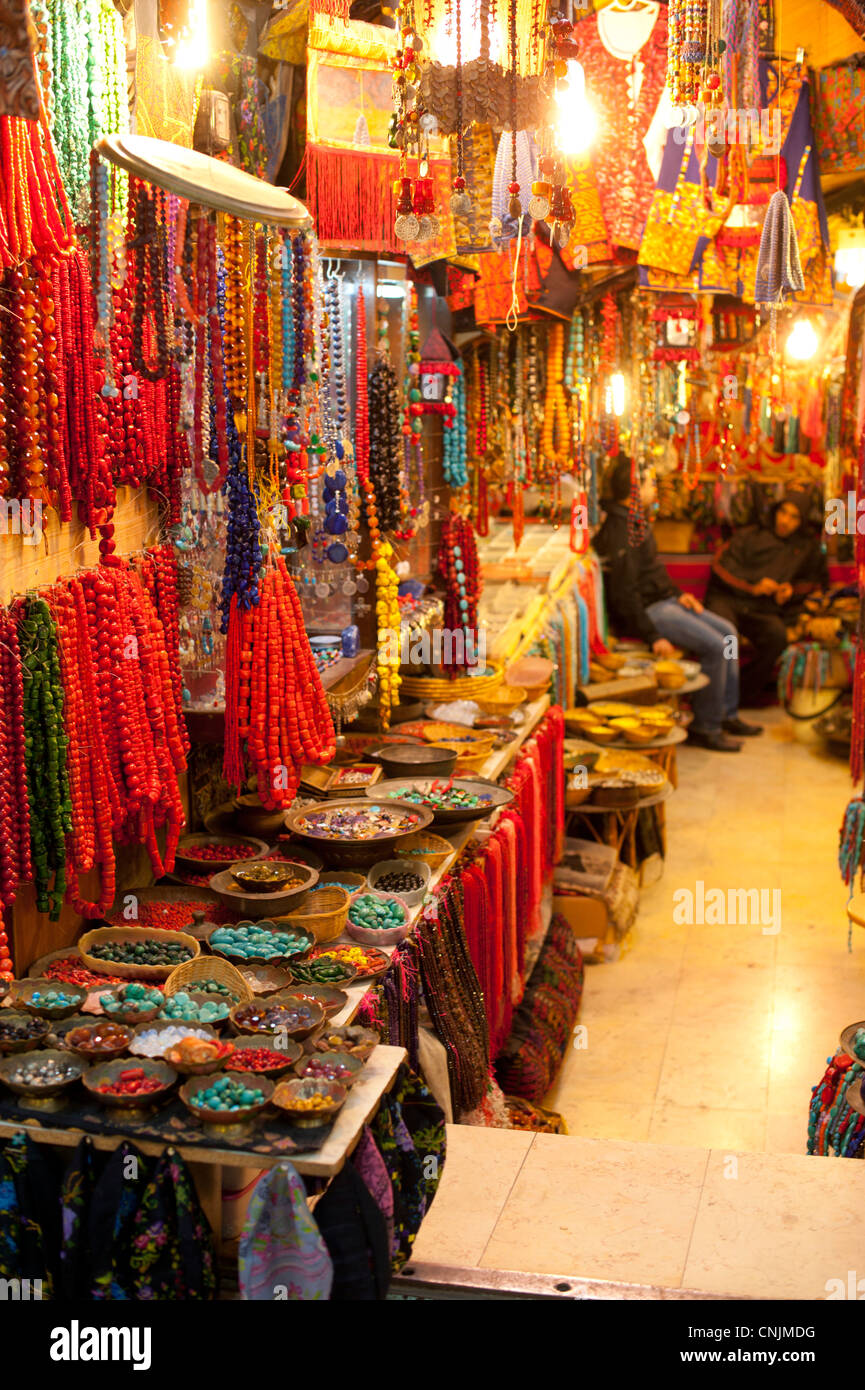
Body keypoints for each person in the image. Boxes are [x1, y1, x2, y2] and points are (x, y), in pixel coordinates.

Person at [593, 455, 761, 752]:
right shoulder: (620, 531)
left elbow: (651, 572)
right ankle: (705, 726)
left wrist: (677, 593)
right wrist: (652, 635)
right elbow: (624, 592)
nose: (655, 488)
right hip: (651, 612)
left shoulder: (634, 521)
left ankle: (726, 713)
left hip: (665, 600)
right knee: (719, 645)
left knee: (729, 633)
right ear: (634, 488)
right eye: (650, 483)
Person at [705, 487, 829, 706]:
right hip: (727, 600)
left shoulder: (806, 547)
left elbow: (813, 583)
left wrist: (789, 591)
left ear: (802, 521)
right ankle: (718, 697)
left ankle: (739, 696)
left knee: (777, 637)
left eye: (794, 517)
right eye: (783, 513)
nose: (785, 521)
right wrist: (753, 586)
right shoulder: (750, 535)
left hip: (760, 609)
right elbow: (720, 568)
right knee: (728, 638)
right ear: (775, 512)